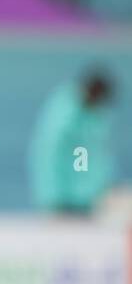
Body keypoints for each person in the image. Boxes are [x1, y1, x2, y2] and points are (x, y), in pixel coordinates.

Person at [29, 71, 116, 213]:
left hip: (87, 198)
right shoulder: (66, 114)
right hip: (63, 199)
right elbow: (50, 154)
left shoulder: (94, 115)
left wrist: (101, 187)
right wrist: (54, 194)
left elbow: (99, 155)